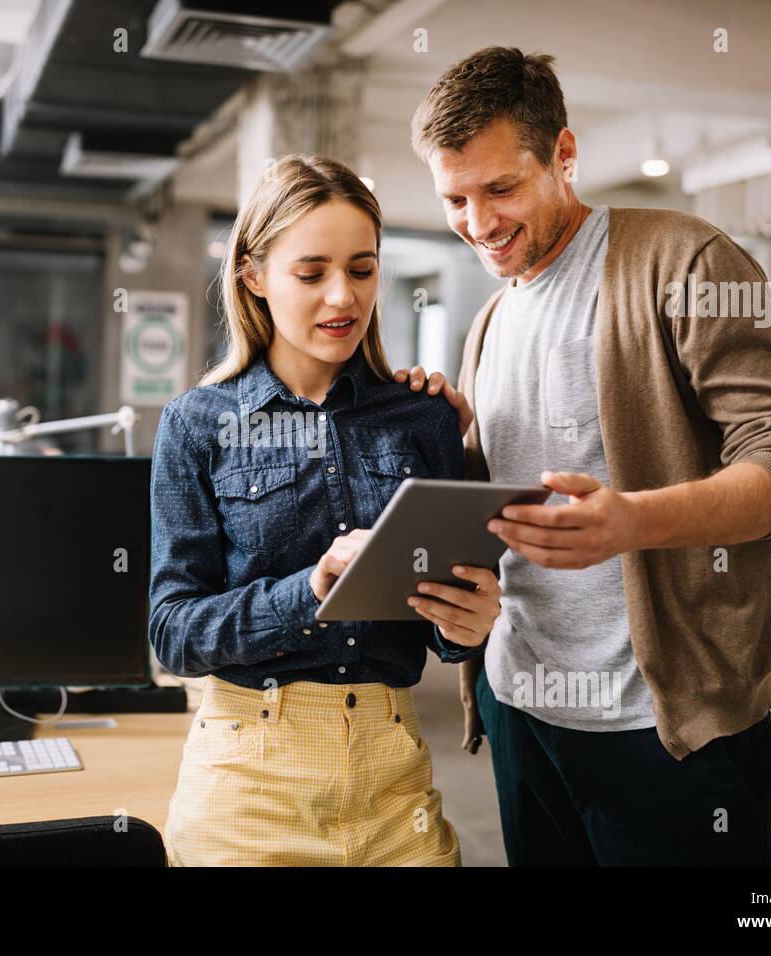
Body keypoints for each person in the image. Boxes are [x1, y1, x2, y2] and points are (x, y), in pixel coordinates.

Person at [396, 46, 771, 865]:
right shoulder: (493, 319)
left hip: (667, 730)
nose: (478, 222)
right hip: (521, 710)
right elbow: (497, 506)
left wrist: (633, 520)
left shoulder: (686, 262)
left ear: (563, 155)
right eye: (454, 198)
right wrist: (432, 433)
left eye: (501, 188)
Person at [149, 154, 501, 866]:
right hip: (248, 784)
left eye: (362, 269)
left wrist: (470, 628)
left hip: (395, 779)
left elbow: (445, 633)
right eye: (311, 274)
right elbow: (174, 632)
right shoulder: (196, 423)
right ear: (253, 273)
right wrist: (306, 592)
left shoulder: (426, 420)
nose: (342, 298)